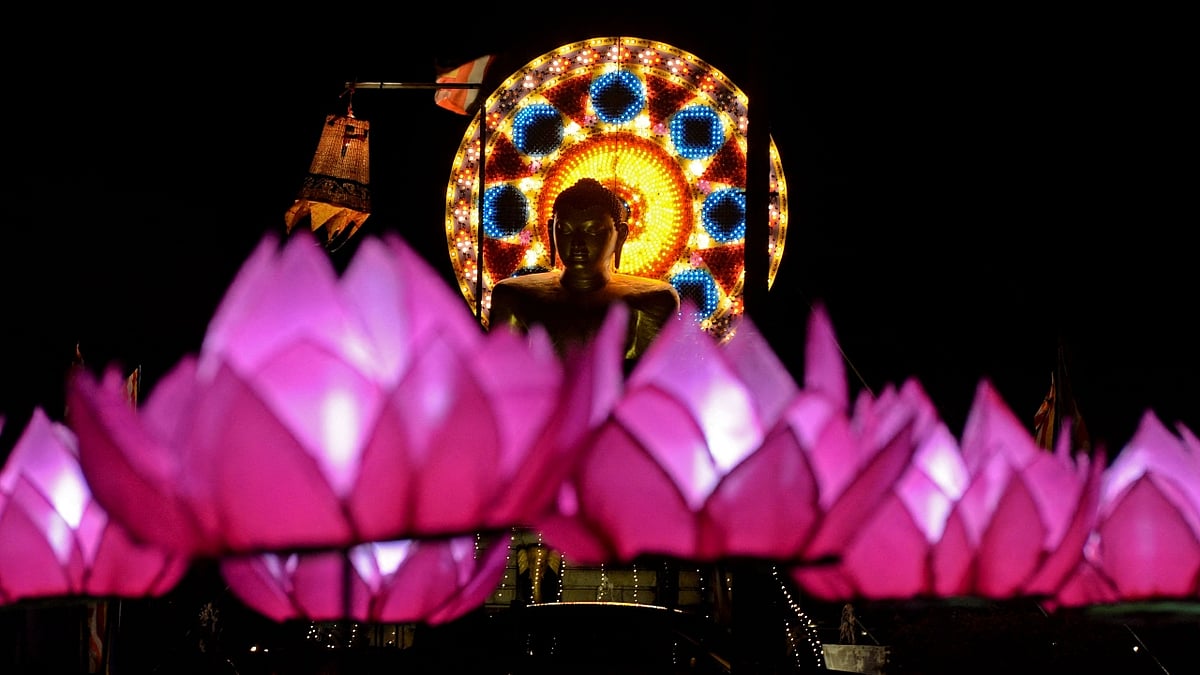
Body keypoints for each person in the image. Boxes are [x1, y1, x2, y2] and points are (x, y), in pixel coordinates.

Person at [488, 177, 680, 360]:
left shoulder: (651, 302)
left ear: (620, 235)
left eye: (593, 230)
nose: (577, 242)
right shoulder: (515, 297)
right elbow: (502, 377)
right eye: (564, 229)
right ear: (550, 230)